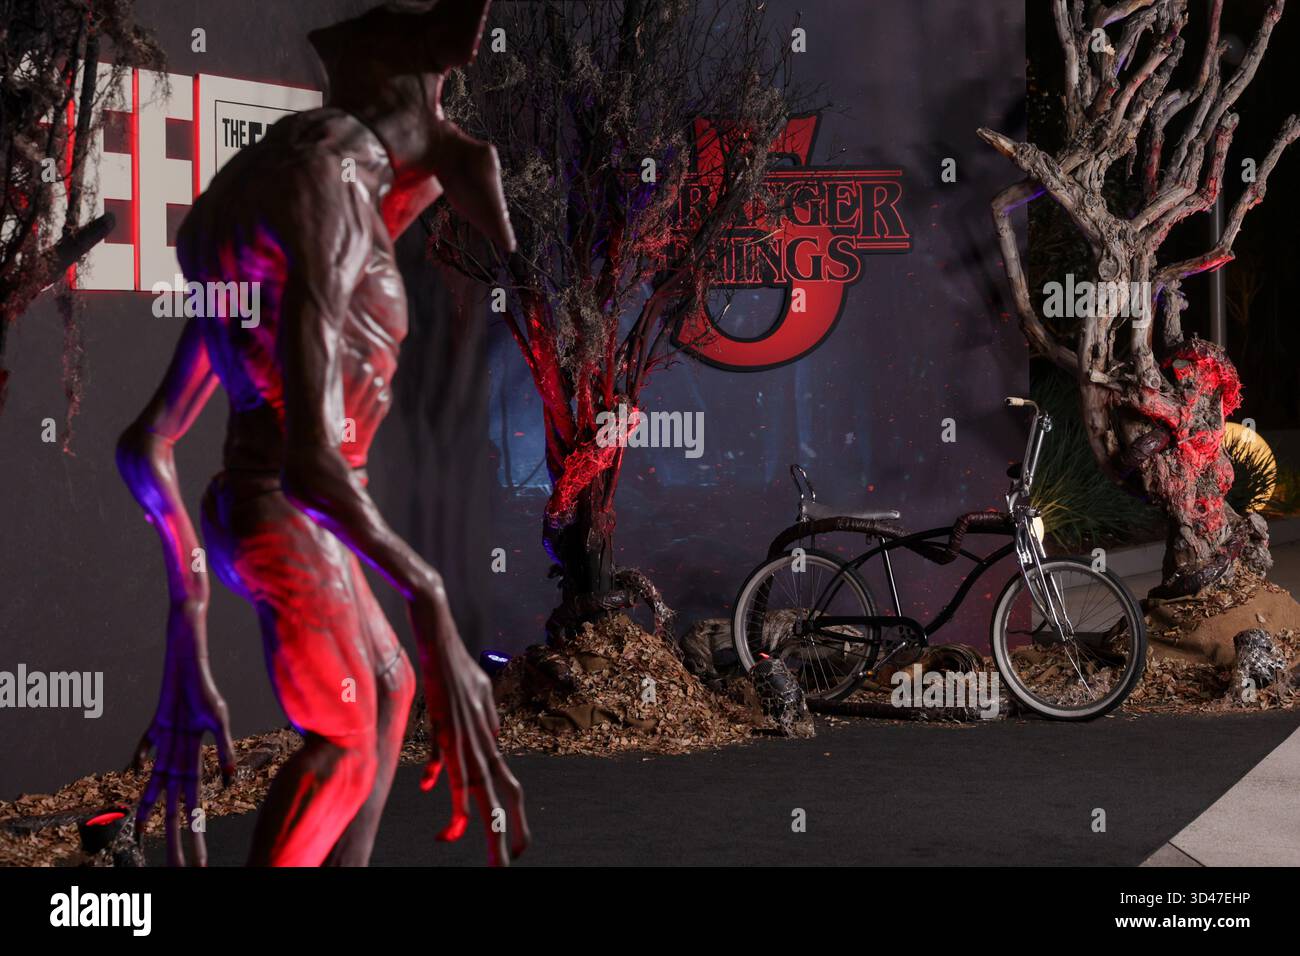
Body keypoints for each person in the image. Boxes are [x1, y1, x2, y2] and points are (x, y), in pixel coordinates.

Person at [115, 0, 528, 866]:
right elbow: (308, 463)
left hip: (279, 512)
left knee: (391, 686)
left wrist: (188, 618)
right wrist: (431, 597)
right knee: (344, 734)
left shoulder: (284, 183)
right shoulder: (332, 186)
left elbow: (149, 440)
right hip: (290, 509)